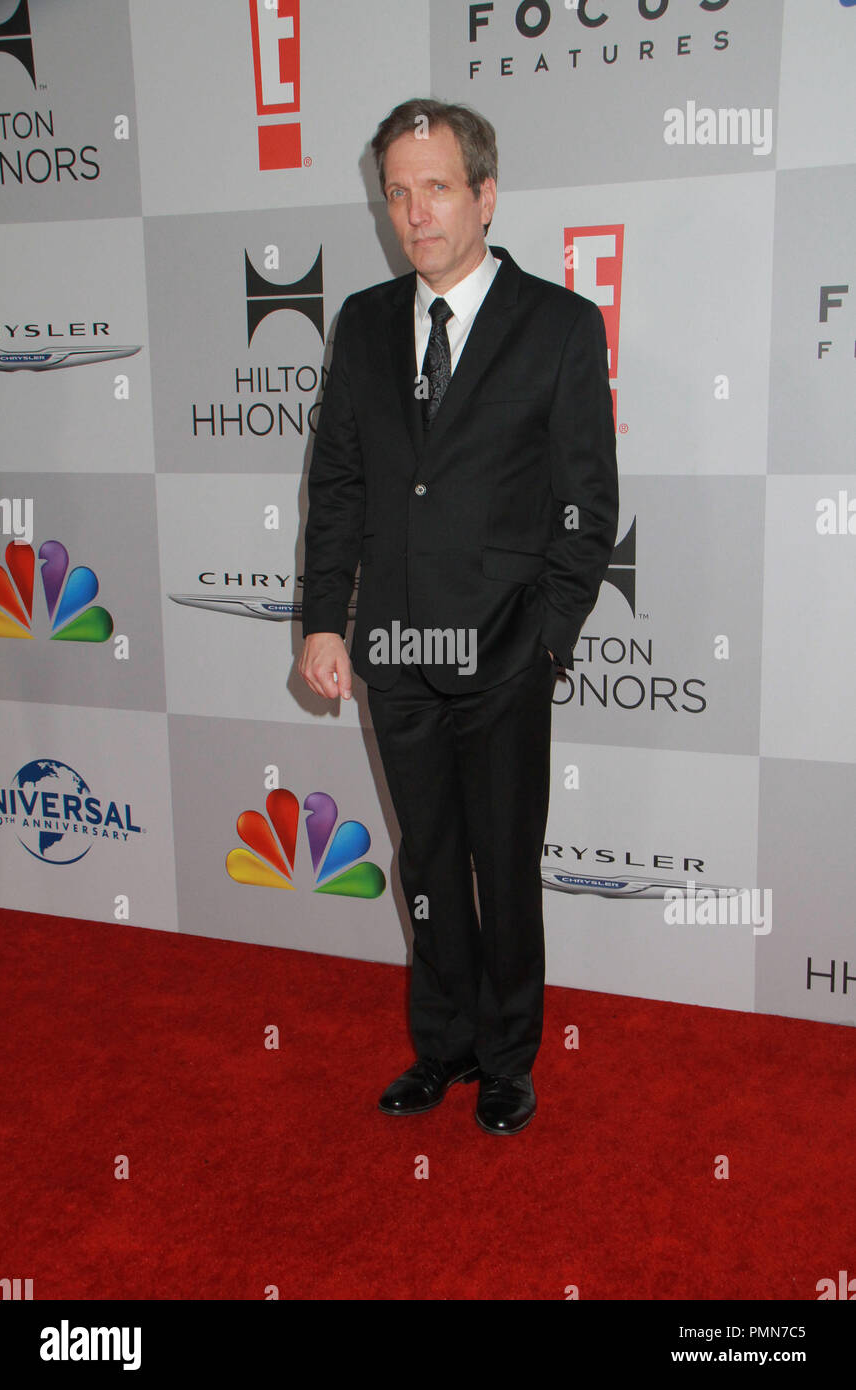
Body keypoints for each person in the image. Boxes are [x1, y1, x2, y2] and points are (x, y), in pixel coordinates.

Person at [300, 98, 618, 1134]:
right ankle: (440, 1044)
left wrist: (545, 642)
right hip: (392, 646)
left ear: (484, 194)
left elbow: (585, 509)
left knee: (502, 857)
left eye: (435, 186)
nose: (413, 211)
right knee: (426, 860)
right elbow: (339, 484)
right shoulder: (362, 320)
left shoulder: (560, 325)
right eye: (396, 190)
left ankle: (510, 1057)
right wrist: (321, 621)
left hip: (502, 651)